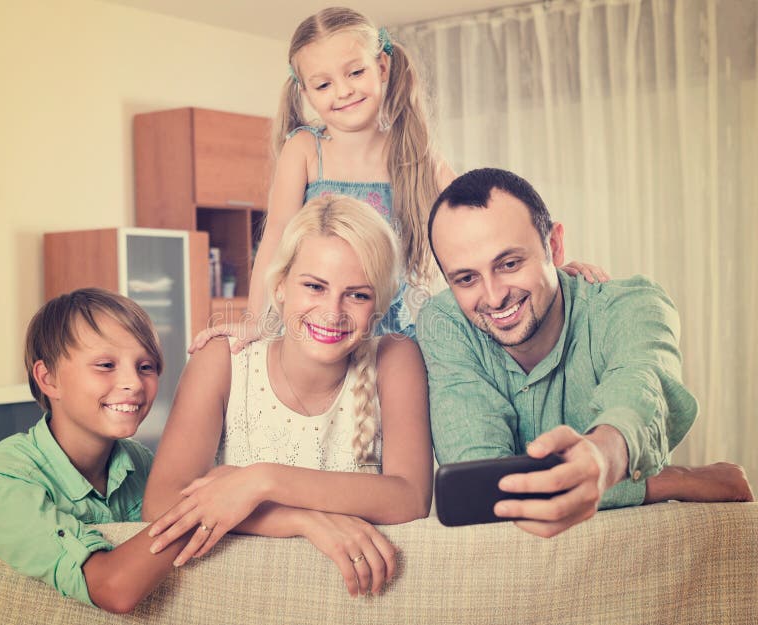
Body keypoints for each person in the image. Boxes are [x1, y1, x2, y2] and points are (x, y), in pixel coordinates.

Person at [189, 6, 606, 354]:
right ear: (304, 92)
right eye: (323, 84)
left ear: (382, 66)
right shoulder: (303, 149)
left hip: (392, 330)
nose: (343, 91)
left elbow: (484, 219)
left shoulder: (414, 153)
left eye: (355, 72)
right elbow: (277, 236)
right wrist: (255, 321)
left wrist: (550, 265)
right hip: (322, 323)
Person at [417, 168, 754, 538]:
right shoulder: (443, 322)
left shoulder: (630, 305)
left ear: (555, 246)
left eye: (510, 264)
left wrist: (603, 457)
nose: (495, 297)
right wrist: (665, 482)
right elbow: (479, 485)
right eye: (467, 279)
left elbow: (639, 392)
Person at [143, 195, 432, 597]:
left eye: (358, 295)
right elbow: (160, 504)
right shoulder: (222, 362)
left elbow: (410, 498)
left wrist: (262, 481)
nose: (332, 312)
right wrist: (302, 520)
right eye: (314, 286)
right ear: (280, 286)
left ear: (378, 305)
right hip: (245, 594)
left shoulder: (395, 358)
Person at [0, 288, 193, 613]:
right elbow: (113, 590)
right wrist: (200, 509)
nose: (135, 383)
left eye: (146, 367)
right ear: (48, 379)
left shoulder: (140, 462)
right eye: (106, 365)